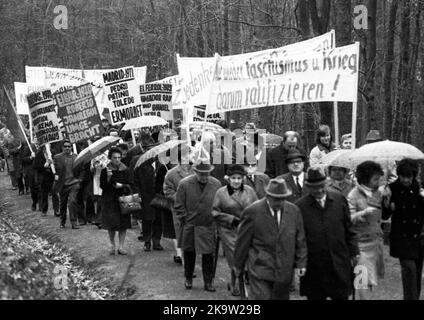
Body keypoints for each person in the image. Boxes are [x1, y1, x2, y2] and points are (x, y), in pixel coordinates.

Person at [233, 178, 307, 300]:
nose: (279, 202)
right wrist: (238, 266)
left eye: (282, 198)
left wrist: (301, 263)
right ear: (268, 196)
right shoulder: (252, 212)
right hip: (260, 268)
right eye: (276, 199)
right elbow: (242, 242)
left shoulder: (294, 211)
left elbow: (300, 239)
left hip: (284, 269)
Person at [296, 167, 359, 300]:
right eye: (314, 188)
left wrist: (354, 251)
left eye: (321, 186)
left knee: (341, 296)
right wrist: (300, 262)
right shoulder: (300, 206)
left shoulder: (339, 199)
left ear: (326, 183)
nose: (319, 191)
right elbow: (299, 238)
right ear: (308, 187)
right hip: (315, 266)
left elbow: (349, 228)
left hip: (338, 262)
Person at [174, 162, 222, 292]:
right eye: (201, 174)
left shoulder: (216, 184)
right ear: (196, 172)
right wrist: (185, 218)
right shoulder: (185, 184)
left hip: (208, 225)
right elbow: (178, 205)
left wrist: (216, 219)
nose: (204, 177)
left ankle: (208, 282)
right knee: (189, 254)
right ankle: (188, 278)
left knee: (208, 255)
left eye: (206, 174)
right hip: (191, 226)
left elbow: (220, 204)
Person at [212, 164, 258, 296]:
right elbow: (215, 212)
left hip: (248, 229)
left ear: (243, 178)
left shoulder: (250, 191)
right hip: (229, 230)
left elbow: (258, 208)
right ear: (228, 178)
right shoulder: (221, 193)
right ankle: (239, 283)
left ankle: (235, 281)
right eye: (234, 178)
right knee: (235, 255)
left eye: (239, 178)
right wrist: (231, 219)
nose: (237, 181)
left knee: (250, 254)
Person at [382, 159, 424, 300]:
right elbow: (384, 215)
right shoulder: (391, 188)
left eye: (409, 177)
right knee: (409, 270)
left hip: (418, 237)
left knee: (417, 273)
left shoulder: (419, 188)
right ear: (399, 175)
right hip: (402, 238)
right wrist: (387, 204)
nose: (406, 180)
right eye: (403, 176)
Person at [347, 161, 385, 300]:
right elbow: (348, 218)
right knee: (361, 280)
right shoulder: (353, 195)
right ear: (365, 179)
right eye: (375, 179)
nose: (377, 182)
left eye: (378, 179)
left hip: (375, 243)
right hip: (360, 246)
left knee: (370, 281)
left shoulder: (379, 192)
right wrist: (362, 214)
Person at [163, 145, 195, 265]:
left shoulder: (196, 171)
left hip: (194, 210)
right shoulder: (171, 174)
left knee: (192, 236)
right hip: (179, 210)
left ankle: (189, 261)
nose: (194, 156)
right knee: (181, 234)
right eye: (191, 154)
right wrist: (182, 199)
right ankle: (184, 261)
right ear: (184, 157)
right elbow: (168, 191)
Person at [131, 137, 163, 252]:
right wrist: (138, 194)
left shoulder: (162, 160)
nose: (152, 150)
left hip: (159, 194)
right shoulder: (137, 161)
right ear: (144, 150)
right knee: (147, 219)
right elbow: (133, 180)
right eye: (149, 148)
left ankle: (157, 241)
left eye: (154, 148)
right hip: (145, 194)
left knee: (158, 219)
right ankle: (147, 241)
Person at [100, 147, 133, 255]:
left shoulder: (126, 169)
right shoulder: (105, 170)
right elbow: (102, 186)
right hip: (110, 199)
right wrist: (108, 178)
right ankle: (112, 245)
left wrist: (122, 185)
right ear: (110, 158)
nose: (117, 160)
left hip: (123, 198)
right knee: (112, 224)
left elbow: (130, 185)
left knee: (123, 224)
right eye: (115, 158)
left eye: (119, 157)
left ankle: (121, 246)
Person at [53, 140, 82, 229]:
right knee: (63, 203)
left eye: (69, 146)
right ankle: (62, 221)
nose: (67, 148)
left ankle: (74, 222)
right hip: (63, 184)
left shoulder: (76, 157)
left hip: (74, 183)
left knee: (72, 201)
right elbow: (55, 170)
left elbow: (81, 169)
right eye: (65, 146)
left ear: (71, 147)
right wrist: (50, 164)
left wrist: (79, 179)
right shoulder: (57, 157)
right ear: (62, 147)